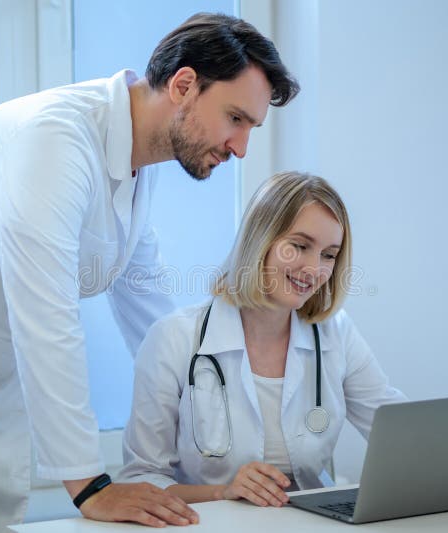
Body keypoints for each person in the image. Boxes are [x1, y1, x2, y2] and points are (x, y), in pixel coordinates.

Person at [0, 13, 299, 533]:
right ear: (184, 85)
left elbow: (147, 299)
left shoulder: (135, 162)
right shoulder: (54, 140)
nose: (241, 148)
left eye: (251, 128)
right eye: (236, 119)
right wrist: (91, 485)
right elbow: (45, 313)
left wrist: (215, 415)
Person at [120, 172, 407, 507]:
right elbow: (140, 479)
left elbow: (400, 434)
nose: (314, 269)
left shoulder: (335, 333)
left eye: (329, 255)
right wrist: (223, 492)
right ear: (260, 240)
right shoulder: (174, 338)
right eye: (299, 246)